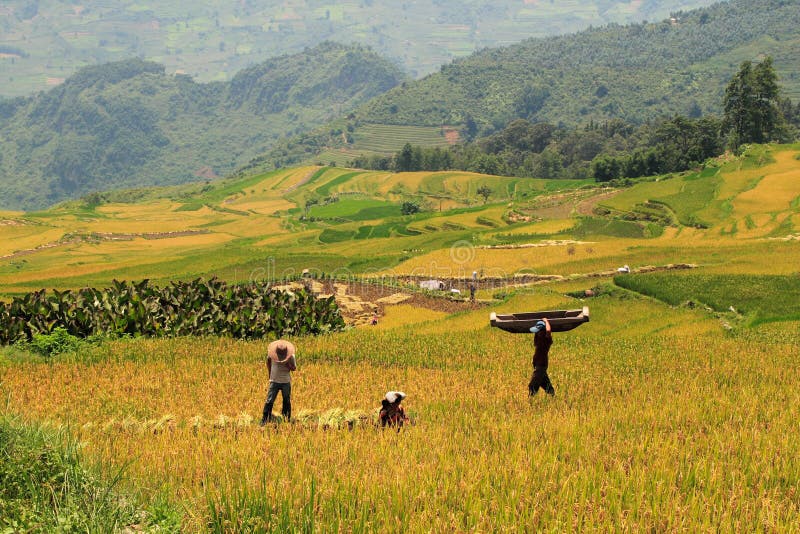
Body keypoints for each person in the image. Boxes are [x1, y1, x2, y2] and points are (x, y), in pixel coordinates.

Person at [260, 339, 297, 425]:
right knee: (269, 400)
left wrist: (288, 365)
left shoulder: (291, 357)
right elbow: (268, 362)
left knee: (286, 400)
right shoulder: (272, 355)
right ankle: (265, 420)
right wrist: (270, 374)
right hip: (274, 380)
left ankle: (286, 419)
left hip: (285, 381)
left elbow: (294, 368)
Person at [528, 318, 555, 396]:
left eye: (539, 331)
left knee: (533, 386)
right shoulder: (538, 340)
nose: (537, 333)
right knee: (546, 385)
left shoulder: (547, 340)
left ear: (543, 331)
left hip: (541, 365)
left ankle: (530, 402)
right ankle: (553, 396)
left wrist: (546, 321)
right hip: (537, 365)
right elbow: (535, 338)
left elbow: (548, 331)